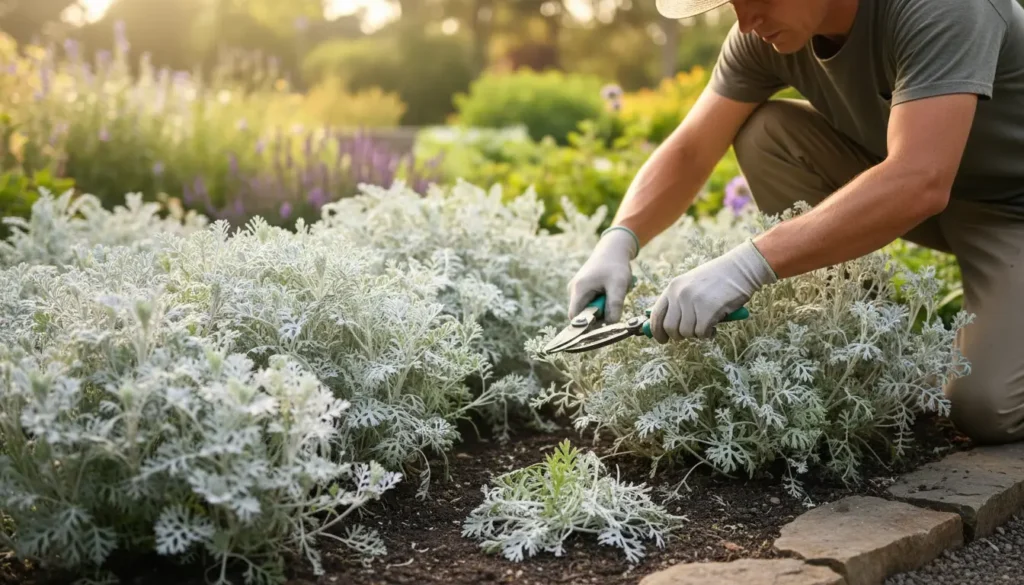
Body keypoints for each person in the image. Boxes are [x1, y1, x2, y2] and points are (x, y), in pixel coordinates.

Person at [566, 0, 1024, 445]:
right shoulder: (765, 33)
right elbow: (691, 148)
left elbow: (920, 179)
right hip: (927, 192)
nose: (746, 21)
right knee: (767, 134)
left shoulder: (945, 7)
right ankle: (867, 342)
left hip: (1009, 208)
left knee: (986, 408)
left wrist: (747, 265)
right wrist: (620, 238)